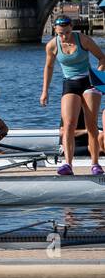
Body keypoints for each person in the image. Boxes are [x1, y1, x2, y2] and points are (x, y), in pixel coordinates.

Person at [40, 16, 104, 176]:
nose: (65, 36)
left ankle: (95, 164)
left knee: (91, 125)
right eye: (61, 33)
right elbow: (48, 67)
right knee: (69, 124)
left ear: (72, 28)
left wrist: (99, 77)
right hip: (70, 83)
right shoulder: (52, 45)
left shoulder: (83, 39)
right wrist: (45, 91)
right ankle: (68, 164)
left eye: (67, 32)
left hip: (89, 82)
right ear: (55, 30)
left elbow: (102, 58)